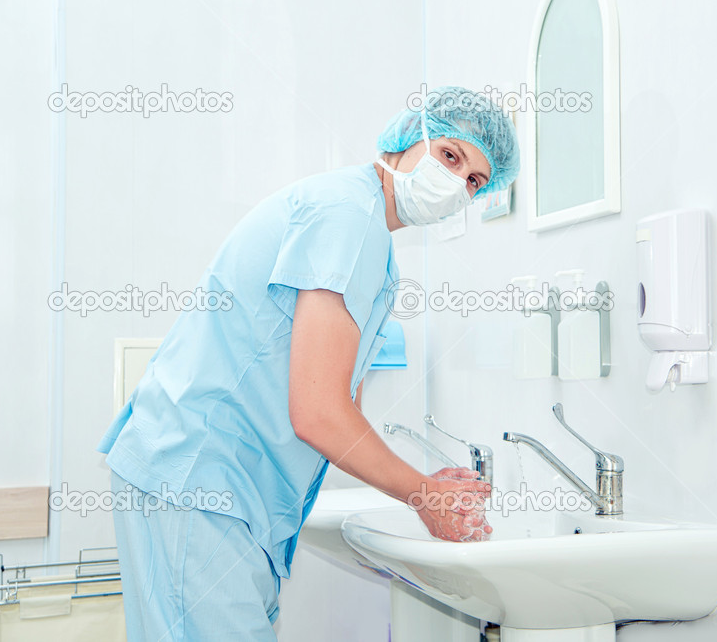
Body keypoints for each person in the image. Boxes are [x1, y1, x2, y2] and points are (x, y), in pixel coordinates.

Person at [96, 86, 519, 641]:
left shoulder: (368, 236)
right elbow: (317, 413)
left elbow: (340, 416)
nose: (456, 184)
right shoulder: (346, 217)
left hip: (217, 491)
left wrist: (425, 486)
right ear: (410, 134)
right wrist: (421, 493)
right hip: (197, 480)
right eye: (450, 155)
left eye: (473, 182)